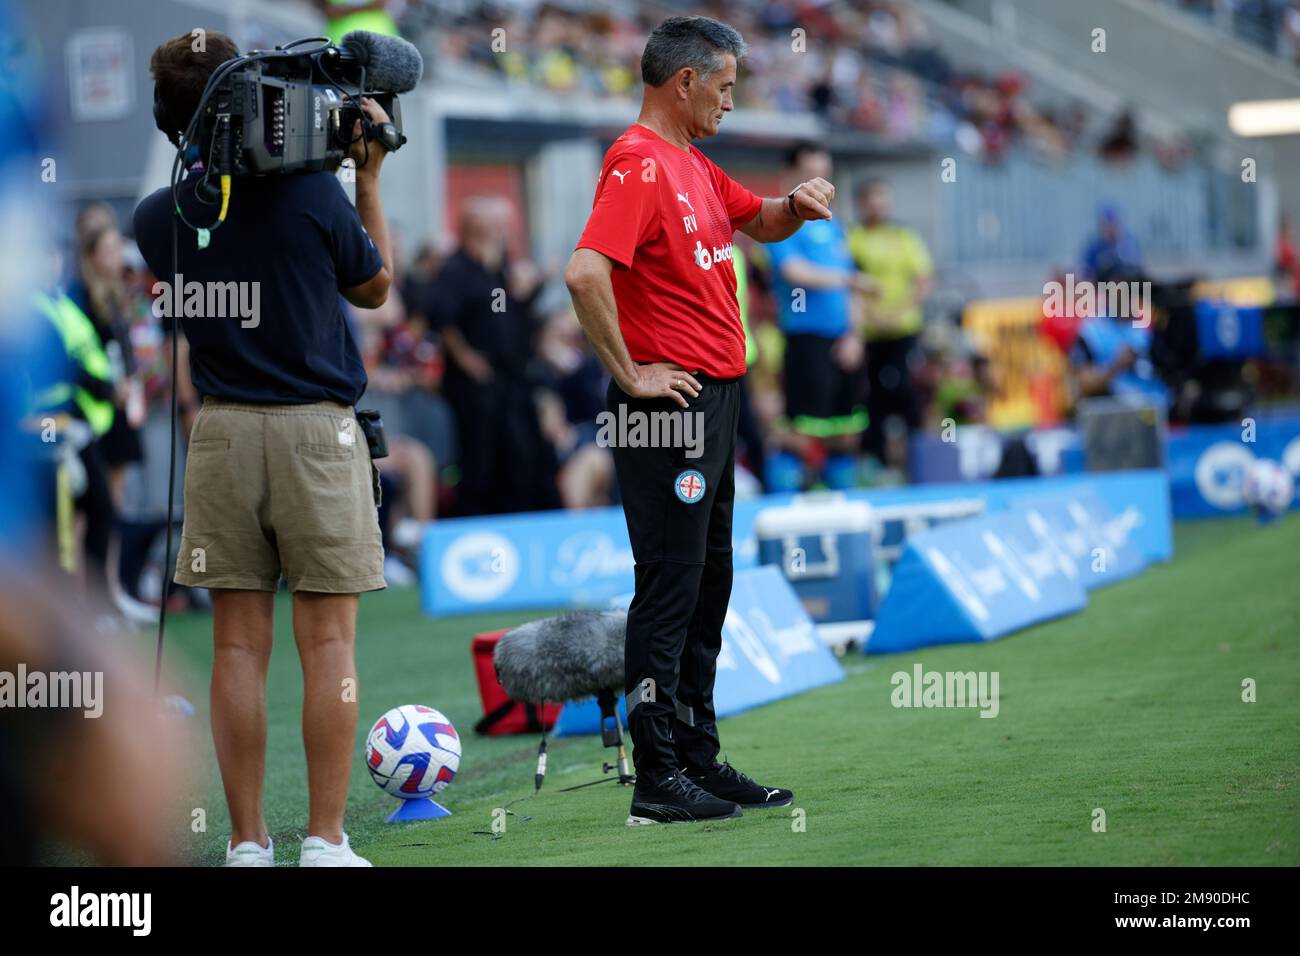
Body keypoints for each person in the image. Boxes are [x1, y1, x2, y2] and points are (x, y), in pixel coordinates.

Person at [133, 31, 398, 866]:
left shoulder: (154, 218)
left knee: (236, 647)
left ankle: (247, 843)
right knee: (328, 645)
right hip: (317, 432)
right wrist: (369, 175)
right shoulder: (316, 197)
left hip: (217, 436)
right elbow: (376, 285)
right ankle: (323, 840)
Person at [565, 15, 834, 825]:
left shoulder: (691, 164)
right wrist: (631, 374)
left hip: (713, 399)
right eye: (723, 86)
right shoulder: (638, 163)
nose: (729, 100)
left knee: (707, 581)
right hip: (668, 407)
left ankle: (695, 757)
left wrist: (797, 202)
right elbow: (584, 275)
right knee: (671, 584)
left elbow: (763, 219)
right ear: (683, 82)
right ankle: (656, 777)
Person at [432, 197, 559, 515]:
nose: (504, 229)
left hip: (509, 378)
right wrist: (466, 359)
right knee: (480, 457)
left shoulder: (497, 268)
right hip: (476, 385)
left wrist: (533, 286)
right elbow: (442, 318)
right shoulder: (455, 268)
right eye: (497, 223)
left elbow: (502, 313)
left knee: (521, 452)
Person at [766, 142, 871, 490]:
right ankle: (783, 509)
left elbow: (849, 284)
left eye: (824, 172)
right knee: (801, 430)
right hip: (806, 338)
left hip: (842, 340)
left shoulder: (834, 222)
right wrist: (846, 278)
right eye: (811, 172)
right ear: (790, 175)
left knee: (845, 431)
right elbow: (794, 271)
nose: (820, 181)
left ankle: (842, 508)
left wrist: (854, 335)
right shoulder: (781, 219)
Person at [847, 177, 933, 467]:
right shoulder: (853, 239)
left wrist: (901, 311)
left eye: (883, 199)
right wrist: (869, 317)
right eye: (873, 199)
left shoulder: (904, 237)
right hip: (870, 333)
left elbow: (923, 279)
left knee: (906, 390)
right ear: (861, 204)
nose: (879, 206)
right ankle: (877, 462)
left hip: (903, 330)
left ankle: (919, 458)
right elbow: (849, 283)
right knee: (872, 398)